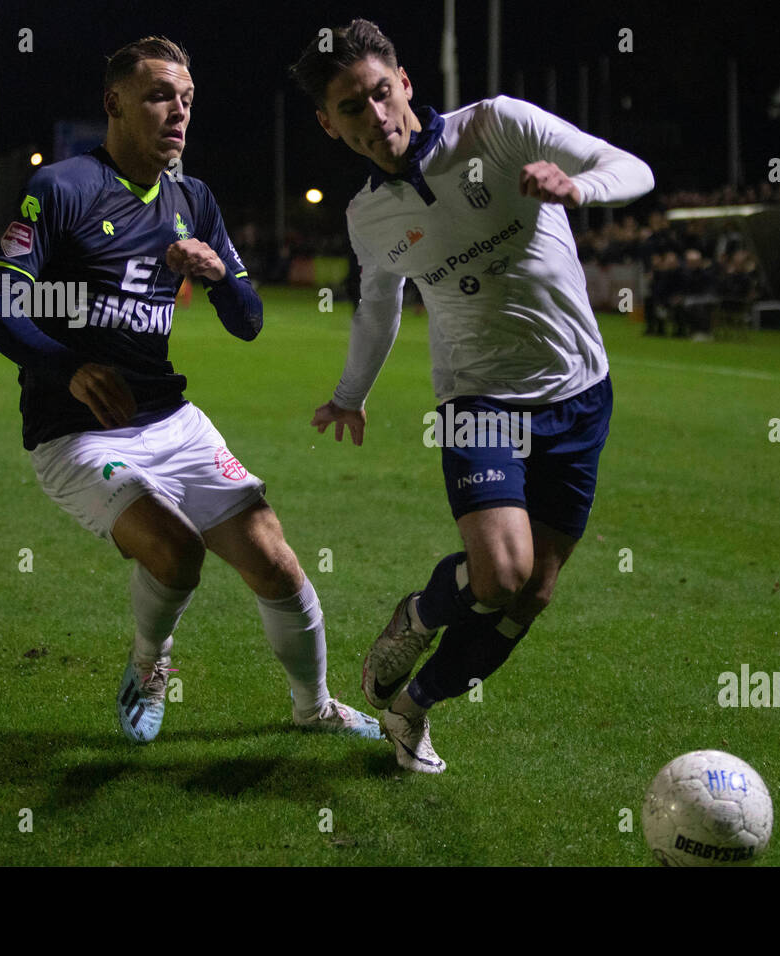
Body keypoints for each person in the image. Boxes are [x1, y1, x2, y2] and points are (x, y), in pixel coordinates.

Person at [0, 36, 379, 744]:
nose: (178, 113)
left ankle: (314, 706)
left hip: (171, 420)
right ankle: (150, 662)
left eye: (187, 100)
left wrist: (217, 273)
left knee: (275, 561)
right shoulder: (60, 189)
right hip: (77, 430)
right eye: (160, 96)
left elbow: (248, 323)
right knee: (175, 550)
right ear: (115, 104)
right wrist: (69, 365)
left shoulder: (194, 199)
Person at [290, 19, 653, 773]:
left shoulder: (498, 126)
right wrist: (351, 393)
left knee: (530, 599)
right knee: (499, 576)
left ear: (405, 83)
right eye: (352, 108)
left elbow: (631, 167)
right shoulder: (368, 215)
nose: (376, 116)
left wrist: (578, 185)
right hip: (479, 399)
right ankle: (419, 613)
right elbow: (379, 306)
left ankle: (411, 709)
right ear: (329, 124)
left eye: (381, 93)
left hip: (580, 392)